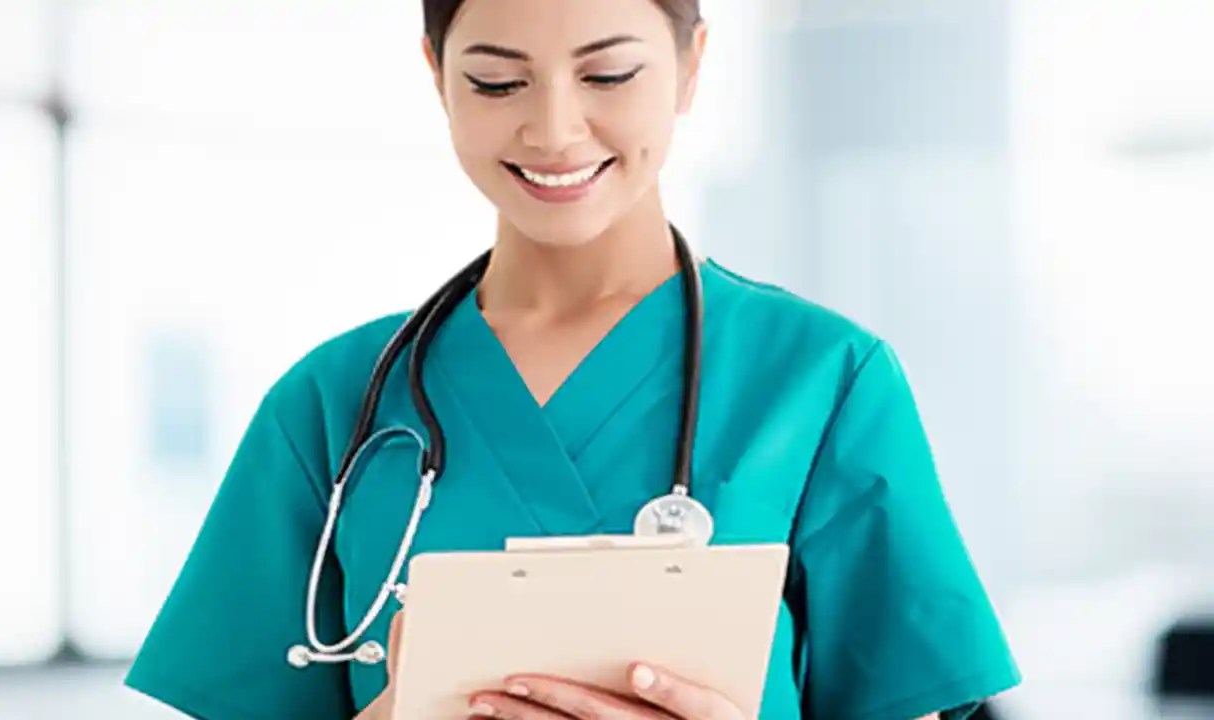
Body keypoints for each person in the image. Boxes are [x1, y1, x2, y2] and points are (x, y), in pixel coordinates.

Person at [123, 0, 1022, 718]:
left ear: (691, 65)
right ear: (437, 76)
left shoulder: (824, 379)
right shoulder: (334, 403)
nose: (553, 130)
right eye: (496, 81)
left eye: (608, 73)